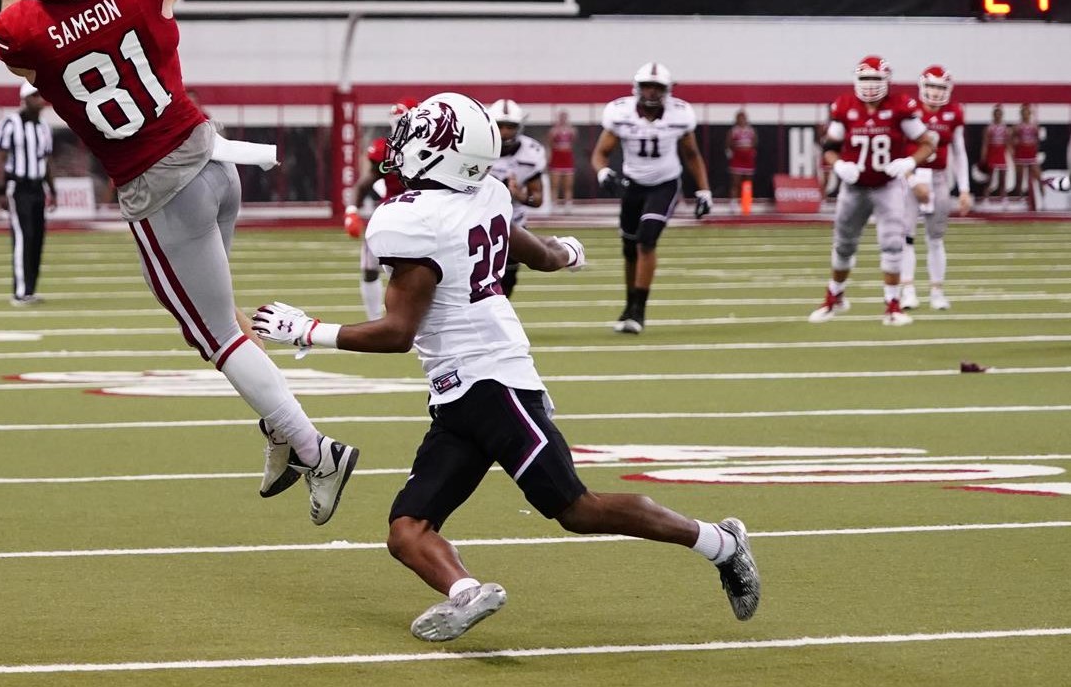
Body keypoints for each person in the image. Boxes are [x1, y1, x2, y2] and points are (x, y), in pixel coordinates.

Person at [249, 94, 759, 643]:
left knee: (576, 509)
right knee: (406, 529)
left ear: (439, 154)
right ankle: (466, 593)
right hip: (455, 394)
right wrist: (566, 253)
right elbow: (531, 250)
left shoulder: (416, 221)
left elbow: (398, 334)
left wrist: (306, 330)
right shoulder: (483, 193)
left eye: (416, 137)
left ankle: (722, 542)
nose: (402, 145)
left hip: (494, 380)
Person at [0, 0, 361, 525]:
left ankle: (314, 446)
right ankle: (278, 433)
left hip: (159, 190)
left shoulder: (23, 28)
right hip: (212, 159)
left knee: (217, 336)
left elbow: (21, 54)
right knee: (225, 316)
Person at [807, 56, 936, 326]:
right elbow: (828, 147)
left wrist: (910, 162)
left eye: (875, 79)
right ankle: (834, 297)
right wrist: (839, 165)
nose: (869, 85)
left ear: (887, 81)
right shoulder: (845, 106)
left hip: (887, 185)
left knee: (892, 245)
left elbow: (927, 143)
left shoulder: (900, 106)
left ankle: (892, 305)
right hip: (854, 187)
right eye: (865, 79)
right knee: (843, 245)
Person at [590, 63, 712, 334]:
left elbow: (692, 155)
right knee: (629, 248)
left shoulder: (679, 114)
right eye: (648, 86)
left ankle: (639, 311)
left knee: (647, 240)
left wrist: (704, 190)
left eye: (658, 87)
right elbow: (600, 154)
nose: (652, 92)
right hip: (632, 184)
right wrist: (603, 173)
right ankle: (629, 303)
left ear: (667, 90)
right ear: (637, 87)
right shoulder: (620, 113)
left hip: (665, 184)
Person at [901, 65, 971, 311]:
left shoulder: (954, 112)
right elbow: (897, 150)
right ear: (921, 86)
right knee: (905, 236)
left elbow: (959, 152)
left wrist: (964, 189)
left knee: (936, 238)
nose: (935, 92)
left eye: (940, 87)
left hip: (939, 177)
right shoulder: (909, 111)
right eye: (931, 86)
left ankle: (936, 292)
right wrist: (911, 180)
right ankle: (908, 290)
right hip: (911, 175)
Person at [346, 97, 421, 318]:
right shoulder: (385, 150)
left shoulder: (435, 149)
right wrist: (351, 211)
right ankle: (374, 320)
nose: (399, 126)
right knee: (369, 266)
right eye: (397, 121)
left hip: (425, 213)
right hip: (391, 212)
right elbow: (364, 182)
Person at [0, 82, 55, 303]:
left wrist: (53, 189)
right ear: (25, 99)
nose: (40, 100)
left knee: (38, 238)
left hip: (37, 186)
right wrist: (0, 190)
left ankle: (30, 288)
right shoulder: (10, 123)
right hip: (17, 187)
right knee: (24, 236)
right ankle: (20, 291)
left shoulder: (43, 127)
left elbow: (48, 160)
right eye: (35, 96)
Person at [485, 98, 546, 297]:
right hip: (478, 221)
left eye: (510, 126)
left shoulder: (531, 152)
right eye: (500, 126)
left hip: (513, 224)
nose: (504, 132)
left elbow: (537, 199)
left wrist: (521, 195)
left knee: (508, 279)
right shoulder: (477, 148)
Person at [1013, 101, 1046, 209]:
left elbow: (1037, 140)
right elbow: (1012, 139)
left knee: (1039, 177)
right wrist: (1015, 147)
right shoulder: (1017, 126)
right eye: (1023, 112)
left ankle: (1043, 201)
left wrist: (1035, 149)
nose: (1025, 114)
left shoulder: (1034, 126)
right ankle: (1020, 200)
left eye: (1027, 112)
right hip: (1021, 154)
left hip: (1031, 154)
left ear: (1029, 113)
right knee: (1019, 179)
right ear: (1021, 113)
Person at [725, 109, 757, 206]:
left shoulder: (751, 130)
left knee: (747, 182)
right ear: (737, 119)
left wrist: (752, 151)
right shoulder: (734, 130)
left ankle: (746, 201)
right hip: (737, 157)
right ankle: (733, 202)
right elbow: (728, 142)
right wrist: (729, 152)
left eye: (744, 118)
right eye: (740, 118)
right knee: (735, 181)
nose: (742, 120)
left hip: (748, 158)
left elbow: (755, 142)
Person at [545, 109, 576, 209]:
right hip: (556, 159)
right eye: (561, 117)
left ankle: (568, 203)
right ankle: (554, 203)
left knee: (568, 185)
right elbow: (550, 144)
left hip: (567, 159)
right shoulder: (553, 131)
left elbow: (573, 143)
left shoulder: (572, 130)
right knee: (555, 184)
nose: (563, 119)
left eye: (564, 116)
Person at [981, 103, 1011, 204]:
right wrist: (984, 155)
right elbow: (985, 143)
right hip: (992, 153)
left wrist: (1010, 154)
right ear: (993, 115)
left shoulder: (1005, 128)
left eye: (1000, 114)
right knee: (990, 177)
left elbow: (1008, 143)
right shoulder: (989, 127)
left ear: (1002, 115)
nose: (998, 116)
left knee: (1003, 176)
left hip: (1001, 153)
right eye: (996, 114)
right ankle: (985, 197)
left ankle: (1003, 196)